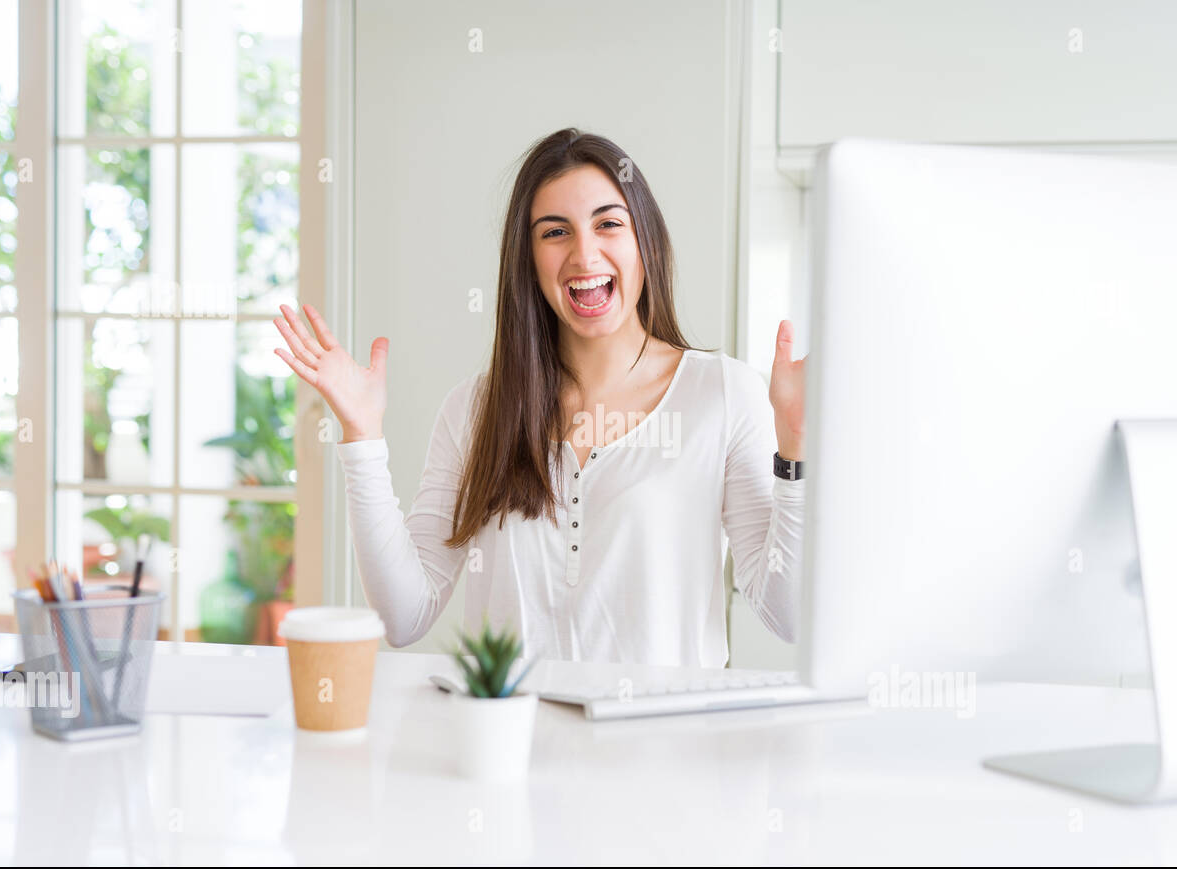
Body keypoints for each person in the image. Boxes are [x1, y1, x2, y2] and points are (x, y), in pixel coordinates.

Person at [273, 128, 806, 667]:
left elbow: (786, 615)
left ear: (646, 241)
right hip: (508, 744)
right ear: (527, 258)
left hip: (661, 745)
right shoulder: (476, 411)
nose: (584, 253)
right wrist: (362, 437)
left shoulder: (723, 393)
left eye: (608, 224)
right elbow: (403, 617)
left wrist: (795, 449)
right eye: (555, 232)